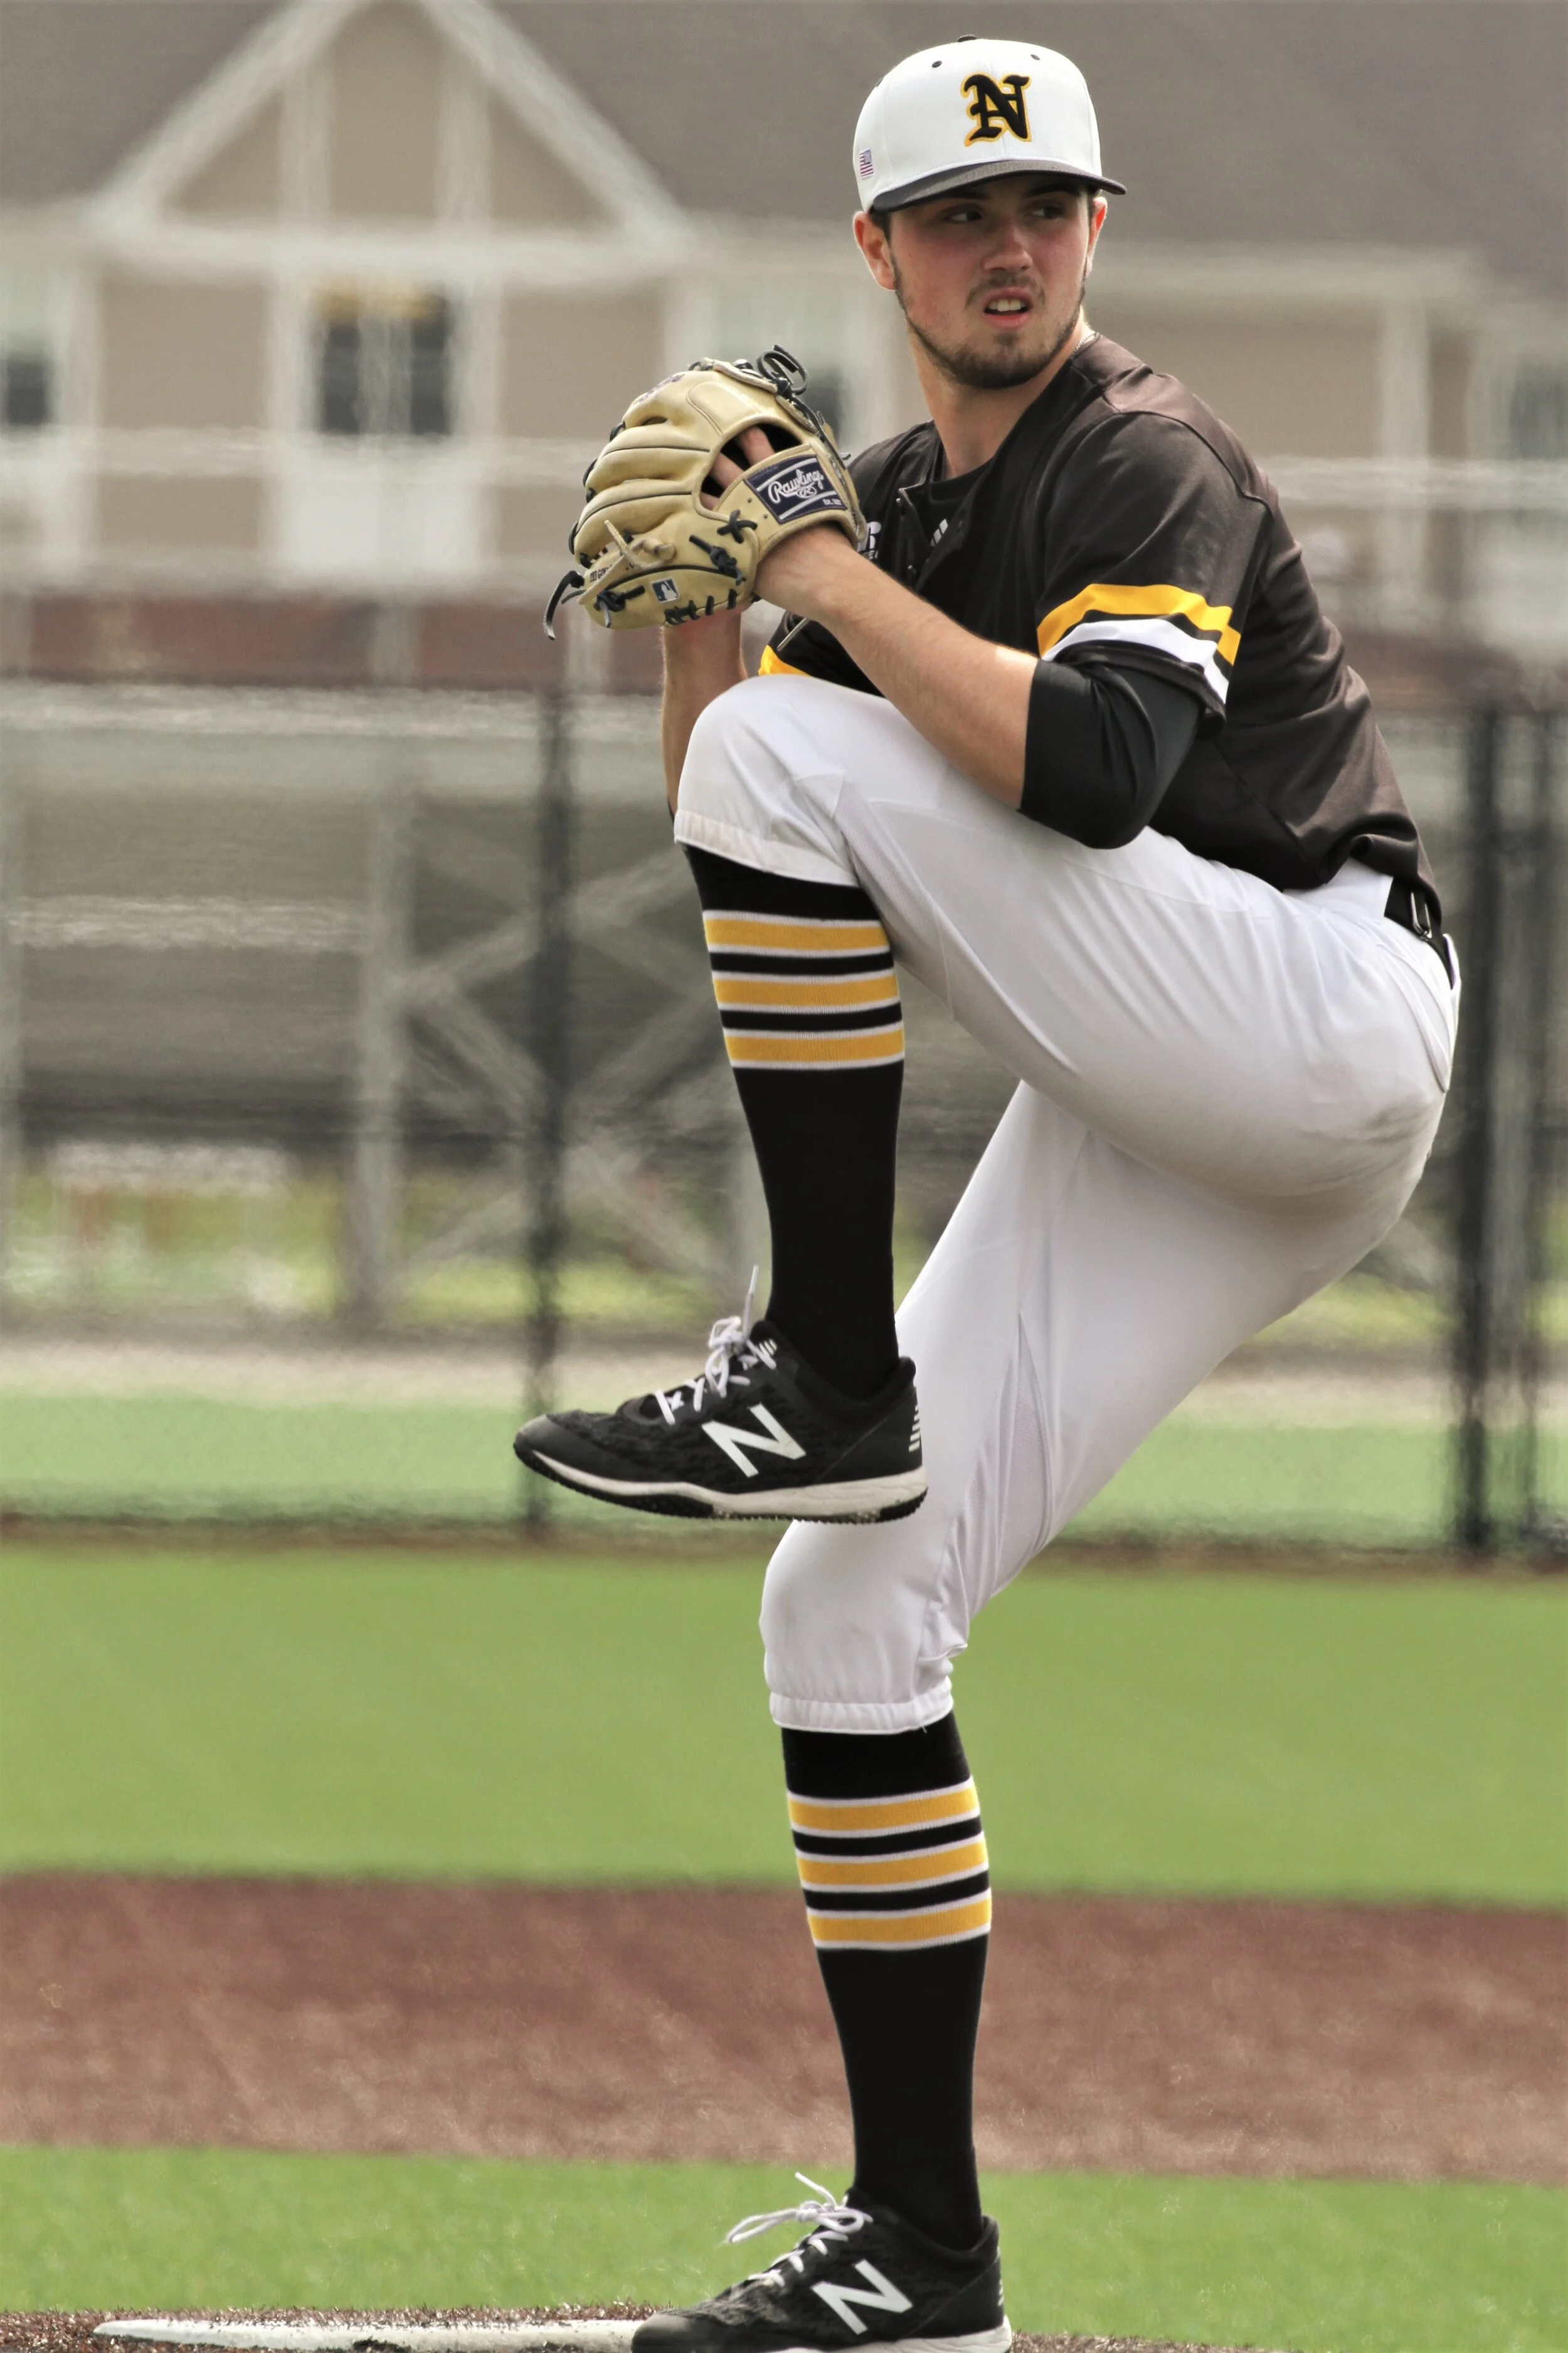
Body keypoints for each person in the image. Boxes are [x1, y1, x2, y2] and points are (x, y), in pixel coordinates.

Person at [516, 35, 1456, 2352]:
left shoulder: (1141, 455)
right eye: (958, 215)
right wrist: (710, 605)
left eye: (1043, 205)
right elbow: (735, 794)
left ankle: (825, 1368)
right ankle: (923, 2253)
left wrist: (805, 561)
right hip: (1171, 1098)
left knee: (802, 744)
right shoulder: (896, 520)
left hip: (1312, 1010)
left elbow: (1108, 765)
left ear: (1094, 231)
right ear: (880, 251)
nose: (1007, 245)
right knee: (845, 1608)